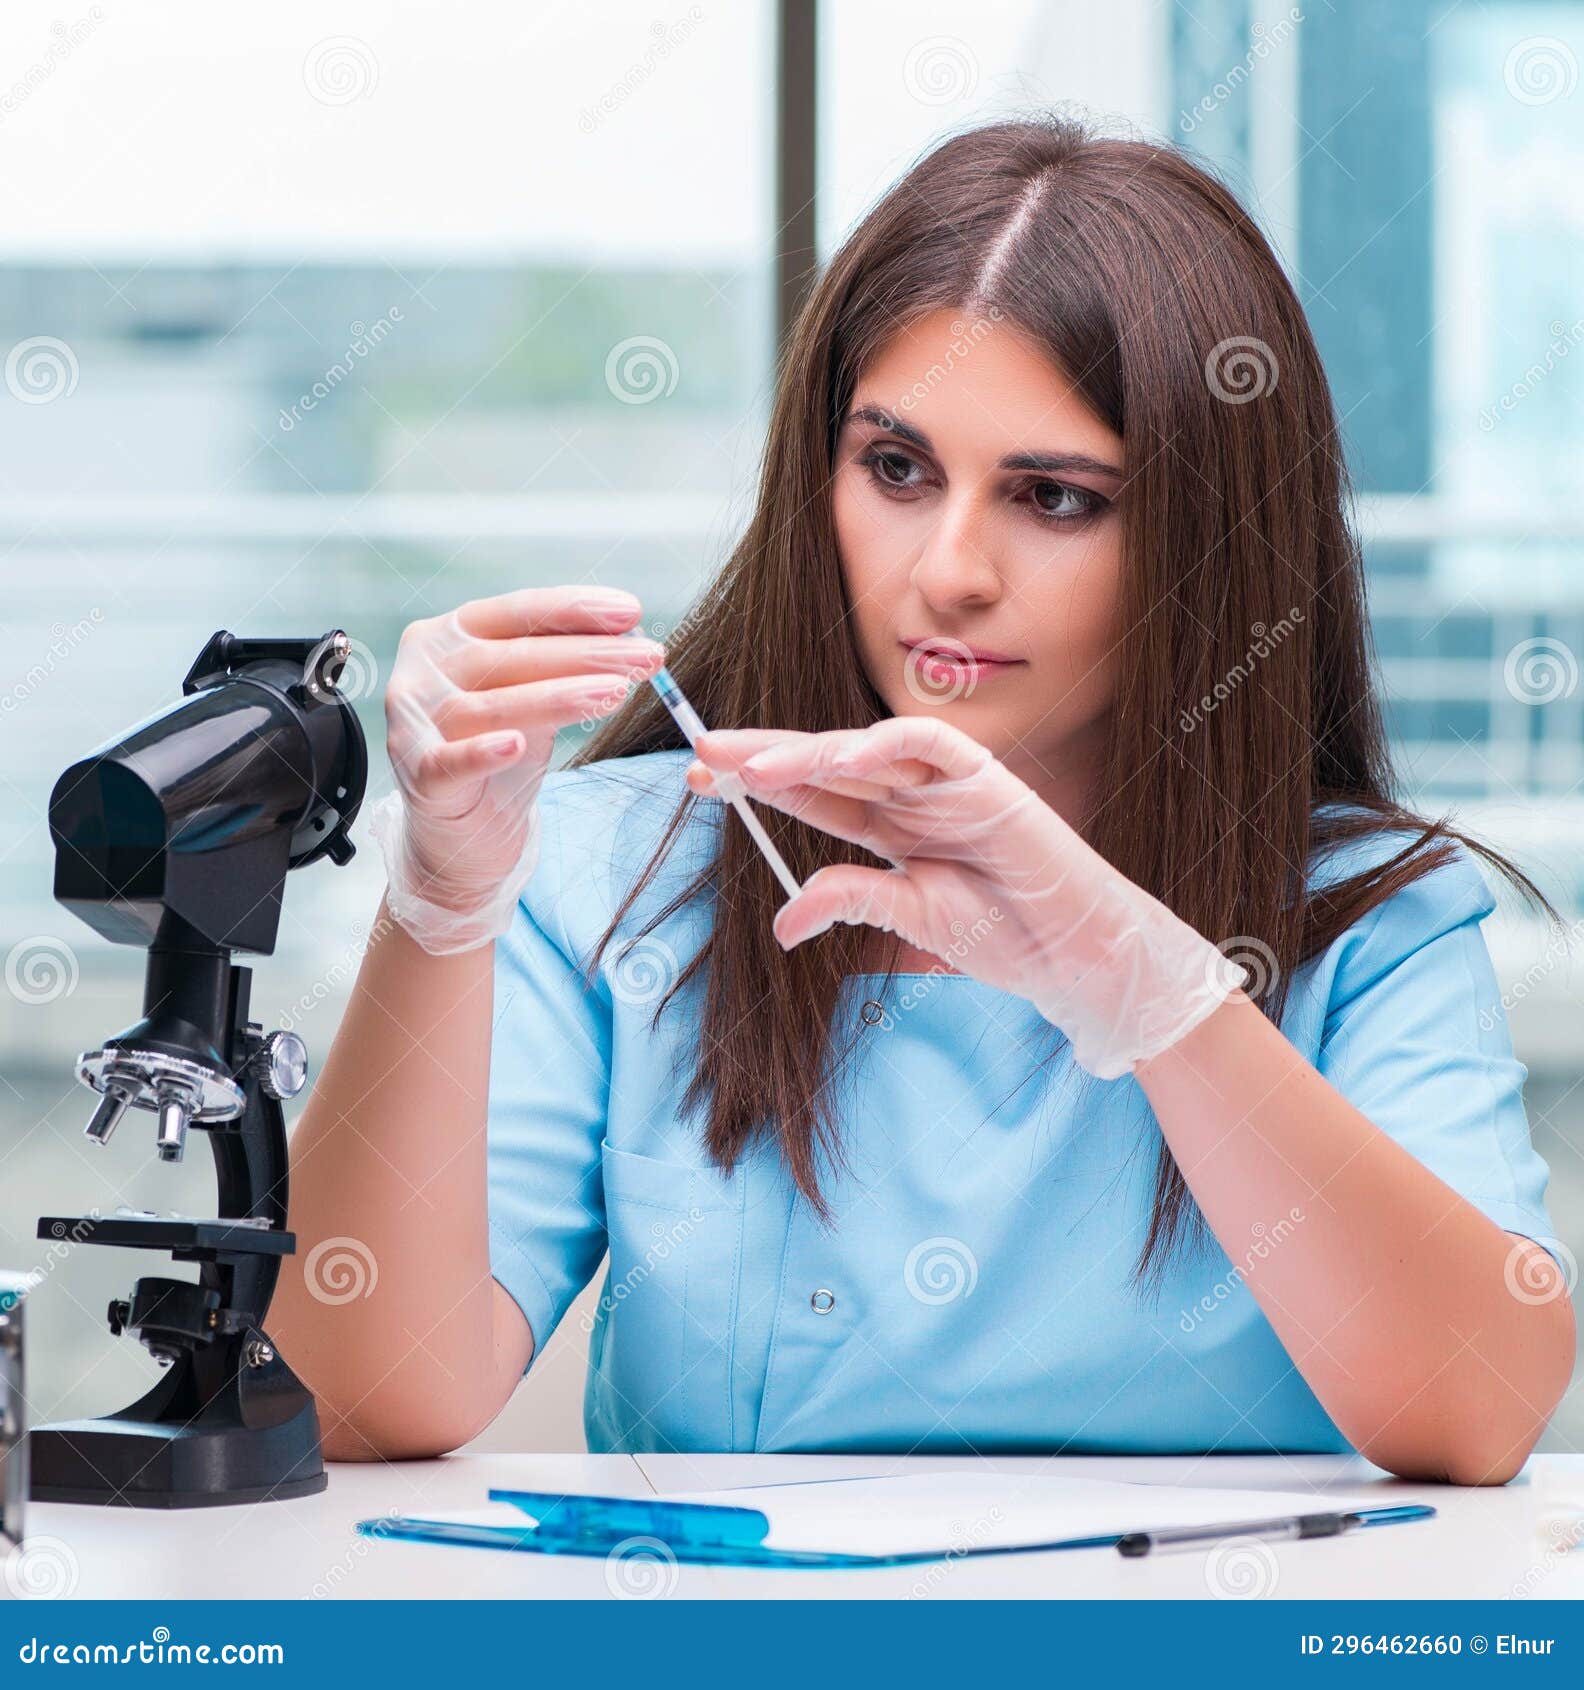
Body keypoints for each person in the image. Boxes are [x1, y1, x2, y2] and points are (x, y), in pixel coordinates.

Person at [269, 115, 1574, 1481]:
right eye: (895, 469)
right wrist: (440, 900)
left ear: (1213, 537)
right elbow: (362, 1395)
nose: (948, 570)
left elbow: (1477, 1410)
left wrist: (1153, 994)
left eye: (1055, 496)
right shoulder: (619, 867)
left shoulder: (1364, 914)